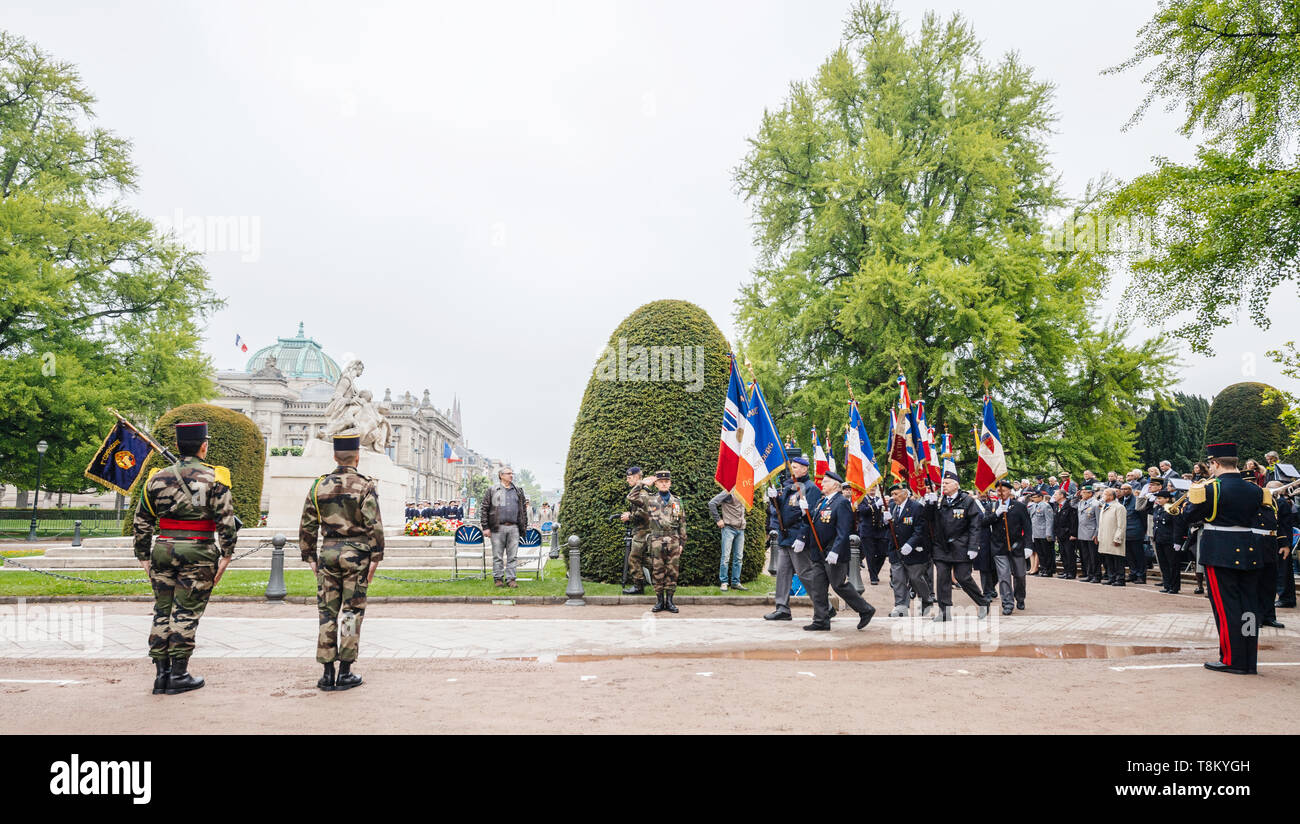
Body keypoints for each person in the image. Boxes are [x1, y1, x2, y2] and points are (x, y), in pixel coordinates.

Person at [133, 421, 237, 695]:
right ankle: (179, 675)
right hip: (198, 550)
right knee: (186, 612)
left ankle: (161, 674)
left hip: (163, 548)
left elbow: (142, 520)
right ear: (204, 446)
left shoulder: (155, 478)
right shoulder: (216, 478)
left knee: (162, 611)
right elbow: (226, 520)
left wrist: (143, 554)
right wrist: (227, 553)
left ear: (179, 447)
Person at [299, 432, 384, 691]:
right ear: (357, 456)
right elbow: (374, 525)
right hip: (356, 553)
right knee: (351, 611)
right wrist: (376, 557)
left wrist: (309, 556)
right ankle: (345, 671)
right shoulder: (365, 485)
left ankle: (326, 672)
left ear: (334, 456)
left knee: (327, 613)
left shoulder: (318, 486)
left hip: (328, 551)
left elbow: (307, 525)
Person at [1182, 443, 1273, 674]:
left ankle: (1233, 659)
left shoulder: (1211, 488)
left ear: (1214, 463)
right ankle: (1249, 659)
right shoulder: (1256, 490)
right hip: (1250, 550)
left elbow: (1190, 516)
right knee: (1249, 607)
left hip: (1220, 550)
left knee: (1226, 607)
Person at [803, 471, 875, 629]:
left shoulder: (841, 502)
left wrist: (835, 550)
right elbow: (815, 523)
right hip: (819, 553)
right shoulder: (822, 501)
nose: (822, 484)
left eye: (826, 482)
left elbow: (843, 530)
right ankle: (821, 620)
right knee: (818, 587)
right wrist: (804, 513)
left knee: (838, 585)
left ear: (835, 485)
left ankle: (866, 609)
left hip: (833, 552)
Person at [921, 466, 991, 621]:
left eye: (947, 483)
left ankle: (983, 602)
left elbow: (975, 525)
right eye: (942, 483)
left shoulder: (967, 501)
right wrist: (929, 504)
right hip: (941, 546)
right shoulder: (939, 500)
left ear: (956, 485)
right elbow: (928, 519)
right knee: (942, 579)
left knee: (963, 577)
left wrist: (973, 546)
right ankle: (944, 612)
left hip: (961, 545)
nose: (943, 485)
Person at [764, 453, 816, 621]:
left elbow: (810, 517)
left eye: (795, 468)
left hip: (797, 538)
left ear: (804, 469)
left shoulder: (810, 488)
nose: (791, 470)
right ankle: (782, 608)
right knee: (782, 573)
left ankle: (824, 605)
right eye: (791, 467)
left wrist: (802, 537)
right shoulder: (790, 487)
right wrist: (773, 498)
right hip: (785, 537)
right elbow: (780, 509)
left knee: (804, 574)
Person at [882, 483, 935, 618]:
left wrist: (910, 544)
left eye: (896, 494)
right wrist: (886, 522)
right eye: (892, 494)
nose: (893, 497)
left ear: (905, 493)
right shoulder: (892, 507)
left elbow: (920, 529)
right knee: (898, 579)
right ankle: (901, 606)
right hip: (896, 549)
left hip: (914, 550)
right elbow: (891, 529)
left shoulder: (916, 507)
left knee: (915, 578)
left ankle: (927, 602)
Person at [479, 467, 530, 588]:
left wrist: (524, 526)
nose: (511, 475)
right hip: (497, 528)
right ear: (501, 475)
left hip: (514, 528)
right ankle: (498, 579)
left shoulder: (518, 490)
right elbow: (485, 508)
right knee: (497, 555)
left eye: (512, 473)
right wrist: (485, 527)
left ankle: (511, 579)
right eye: (508, 473)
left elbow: (523, 510)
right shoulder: (493, 489)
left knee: (513, 556)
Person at [644, 470, 686, 614]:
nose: (664, 484)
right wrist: (642, 484)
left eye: (666, 481)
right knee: (657, 571)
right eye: (661, 482)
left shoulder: (677, 501)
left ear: (670, 483)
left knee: (672, 572)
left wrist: (682, 543)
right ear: (656, 484)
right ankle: (659, 601)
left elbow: (682, 523)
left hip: (674, 540)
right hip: (657, 540)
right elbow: (632, 497)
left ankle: (670, 601)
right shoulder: (650, 500)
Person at [988, 479, 1031, 614]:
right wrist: (996, 514)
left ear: (1009, 491)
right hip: (999, 547)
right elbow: (983, 522)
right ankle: (1007, 603)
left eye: (1004, 490)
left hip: (1017, 546)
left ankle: (1020, 597)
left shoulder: (1019, 506)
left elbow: (1028, 527)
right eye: (998, 490)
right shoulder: (992, 506)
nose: (1001, 493)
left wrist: (1028, 546)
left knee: (1019, 575)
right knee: (1004, 576)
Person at [708, 488, 747, 591]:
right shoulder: (728, 492)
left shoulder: (744, 491)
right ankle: (724, 582)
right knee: (725, 557)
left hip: (741, 529)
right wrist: (718, 520)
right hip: (728, 528)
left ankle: (736, 582)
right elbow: (712, 503)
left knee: (738, 558)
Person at [621, 466, 652, 595]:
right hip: (642, 531)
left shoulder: (642, 493)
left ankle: (638, 587)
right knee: (645, 559)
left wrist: (630, 516)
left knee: (633, 559)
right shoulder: (642, 493)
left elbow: (644, 513)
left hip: (642, 531)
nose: (627, 481)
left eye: (629, 478)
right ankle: (661, 578)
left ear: (636, 477)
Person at [855, 492, 889, 586]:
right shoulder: (862, 499)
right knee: (870, 554)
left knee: (882, 553)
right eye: (871, 486)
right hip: (867, 531)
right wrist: (876, 505)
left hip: (879, 530)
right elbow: (863, 511)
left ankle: (875, 572)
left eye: (874, 486)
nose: (873, 488)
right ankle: (873, 577)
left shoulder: (879, 498)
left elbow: (882, 513)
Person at [1150, 488, 1180, 593]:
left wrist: (1177, 541)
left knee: (1172, 564)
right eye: (1157, 498)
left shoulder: (1173, 509)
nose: (1158, 500)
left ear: (1167, 499)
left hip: (1169, 539)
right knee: (1163, 564)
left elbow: (1177, 526)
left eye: (1160, 498)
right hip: (1159, 538)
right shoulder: (1158, 508)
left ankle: (1174, 586)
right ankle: (1167, 584)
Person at [1097, 487, 1127, 586]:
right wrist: (1099, 537)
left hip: (1114, 537)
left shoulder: (1119, 507)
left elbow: (1121, 525)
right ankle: (1111, 577)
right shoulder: (1104, 506)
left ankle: (1120, 578)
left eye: (1105, 494)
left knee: (1117, 559)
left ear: (1111, 496)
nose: (1102, 496)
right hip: (1105, 537)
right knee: (1108, 559)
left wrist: (1118, 538)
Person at [1076, 485, 1101, 583]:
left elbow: (1099, 521)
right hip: (1082, 533)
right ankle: (1089, 574)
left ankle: (1096, 575)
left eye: (1084, 492)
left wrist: (1097, 534)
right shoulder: (1081, 503)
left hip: (1092, 533)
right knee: (1086, 556)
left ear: (1090, 493)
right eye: (1081, 492)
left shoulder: (1096, 504)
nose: (1081, 494)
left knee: (1094, 556)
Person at [1052, 489, 1078, 579]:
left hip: (1068, 534)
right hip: (1060, 533)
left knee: (1069, 553)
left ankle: (1071, 572)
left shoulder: (1070, 506)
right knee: (1063, 553)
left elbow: (1073, 521)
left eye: (1056, 494)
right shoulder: (1056, 505)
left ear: (1062, 495)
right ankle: (1066, 571)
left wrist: (1073, 534)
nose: (1054, 496)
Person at [1027, 490, 1053, 576]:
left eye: (1035, 497)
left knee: (1046, 553)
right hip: (1035, 533)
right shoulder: (1033, 506)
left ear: (1040, 497)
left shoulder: (1046, 506)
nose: (1033, 499)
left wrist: (1048, 533)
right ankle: (1043, 569)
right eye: (1032, 497)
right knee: (1040, 553)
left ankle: (1048, 570)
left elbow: (1049, 520)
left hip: (1043, 532)